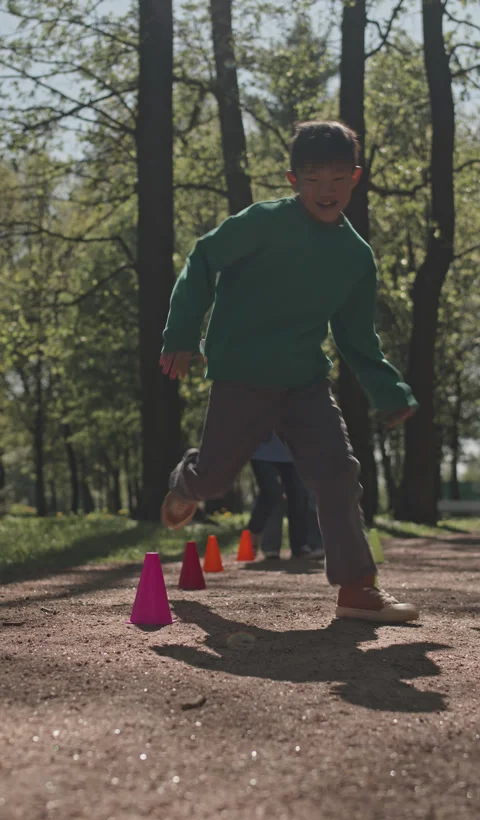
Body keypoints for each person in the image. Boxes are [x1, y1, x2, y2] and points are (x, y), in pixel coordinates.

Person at [160, 120, 419, 623]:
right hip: (242, 372)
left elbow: (356, 338)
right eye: (314, 179)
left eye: (338, 179)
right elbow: (203, 258)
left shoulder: (355, 257)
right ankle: (188, 481)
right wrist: (182, 335)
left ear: (356, 178)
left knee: (338, 473)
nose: (327, 191)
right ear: (292, 180)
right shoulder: (263, 223)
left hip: (304, 380)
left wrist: (389, 391)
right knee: (215, 477)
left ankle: (357, 590)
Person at [249, 433, 324, 560]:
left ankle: (299, 546)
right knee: (272, 491)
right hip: (261, 452)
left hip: (292, 453)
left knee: (299, 496)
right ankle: (253, 532)